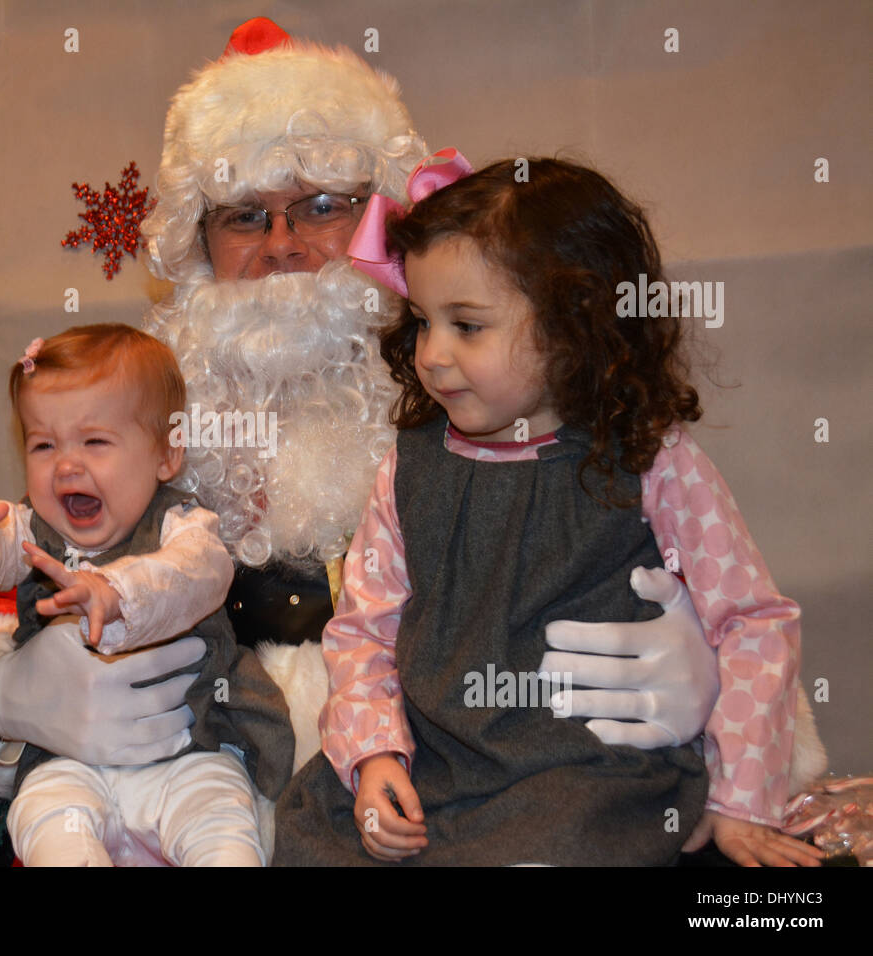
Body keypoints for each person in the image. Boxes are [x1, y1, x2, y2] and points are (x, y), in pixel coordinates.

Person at [0, 18, 735, 865]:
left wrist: (707, 692)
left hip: (453, 792)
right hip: (190, 789)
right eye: (242, 216)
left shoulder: (494, 400)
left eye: (323, 205)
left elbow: (701, 581)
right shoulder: (132, 409)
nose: (282, 246)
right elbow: (18, 569)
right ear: (198, 245)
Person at [274, 153, 826, 867]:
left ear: (576, 328)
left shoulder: (650, 459)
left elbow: (752, 624)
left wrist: (738, 800)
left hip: (582, 770)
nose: (432, 355)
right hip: (435, 762)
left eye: (467, 325)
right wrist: (372, 757)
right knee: (307, 831)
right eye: (421, 321)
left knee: (557, 847)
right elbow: (364, 632)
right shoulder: (407, 469)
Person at [0, 325, 293, 865]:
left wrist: (116, 591)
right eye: (44, 444)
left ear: (167, 455)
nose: (67, 465)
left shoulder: (184, 524)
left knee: (223, 831)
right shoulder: (30, 526)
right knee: (43, 816)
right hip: (68, 760)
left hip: (189, 751)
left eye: (94, 441)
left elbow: (199, 573)